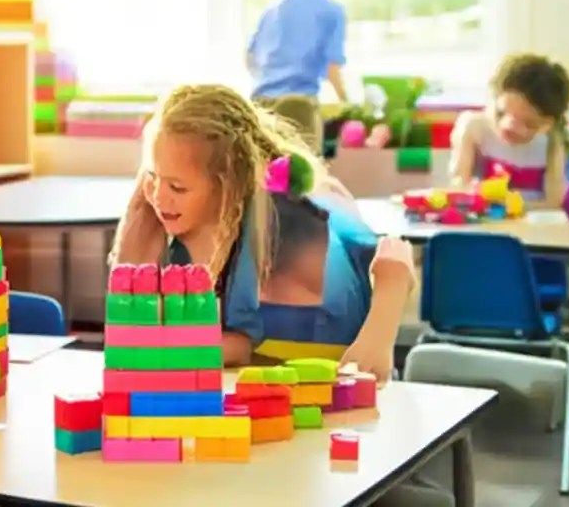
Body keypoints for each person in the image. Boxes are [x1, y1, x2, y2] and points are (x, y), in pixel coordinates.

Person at [109, 84, 412, 379]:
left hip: (322, 386)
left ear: (228, 184)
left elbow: (242, 346)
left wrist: (157, 349)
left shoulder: (287, 226)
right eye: (151, 177)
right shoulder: (183, 222)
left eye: (177, 186)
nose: (159, 197)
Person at [247, 0, 350, 152]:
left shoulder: (274, 8)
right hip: (298, 107)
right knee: (306, 177)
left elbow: (249, 57)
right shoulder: (331, 11)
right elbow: (332, 69)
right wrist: (346, 103)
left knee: (266, 175)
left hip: (260, 104)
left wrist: (270, 77)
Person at [449, 53, 569, 208]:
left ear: (547, 124)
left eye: (527, 123)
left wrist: (515, 208)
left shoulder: (551, 143)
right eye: (500, 114)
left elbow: (554, 203)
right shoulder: (474, 128)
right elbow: (459, 185)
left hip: (528, 224)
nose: (508, 126)